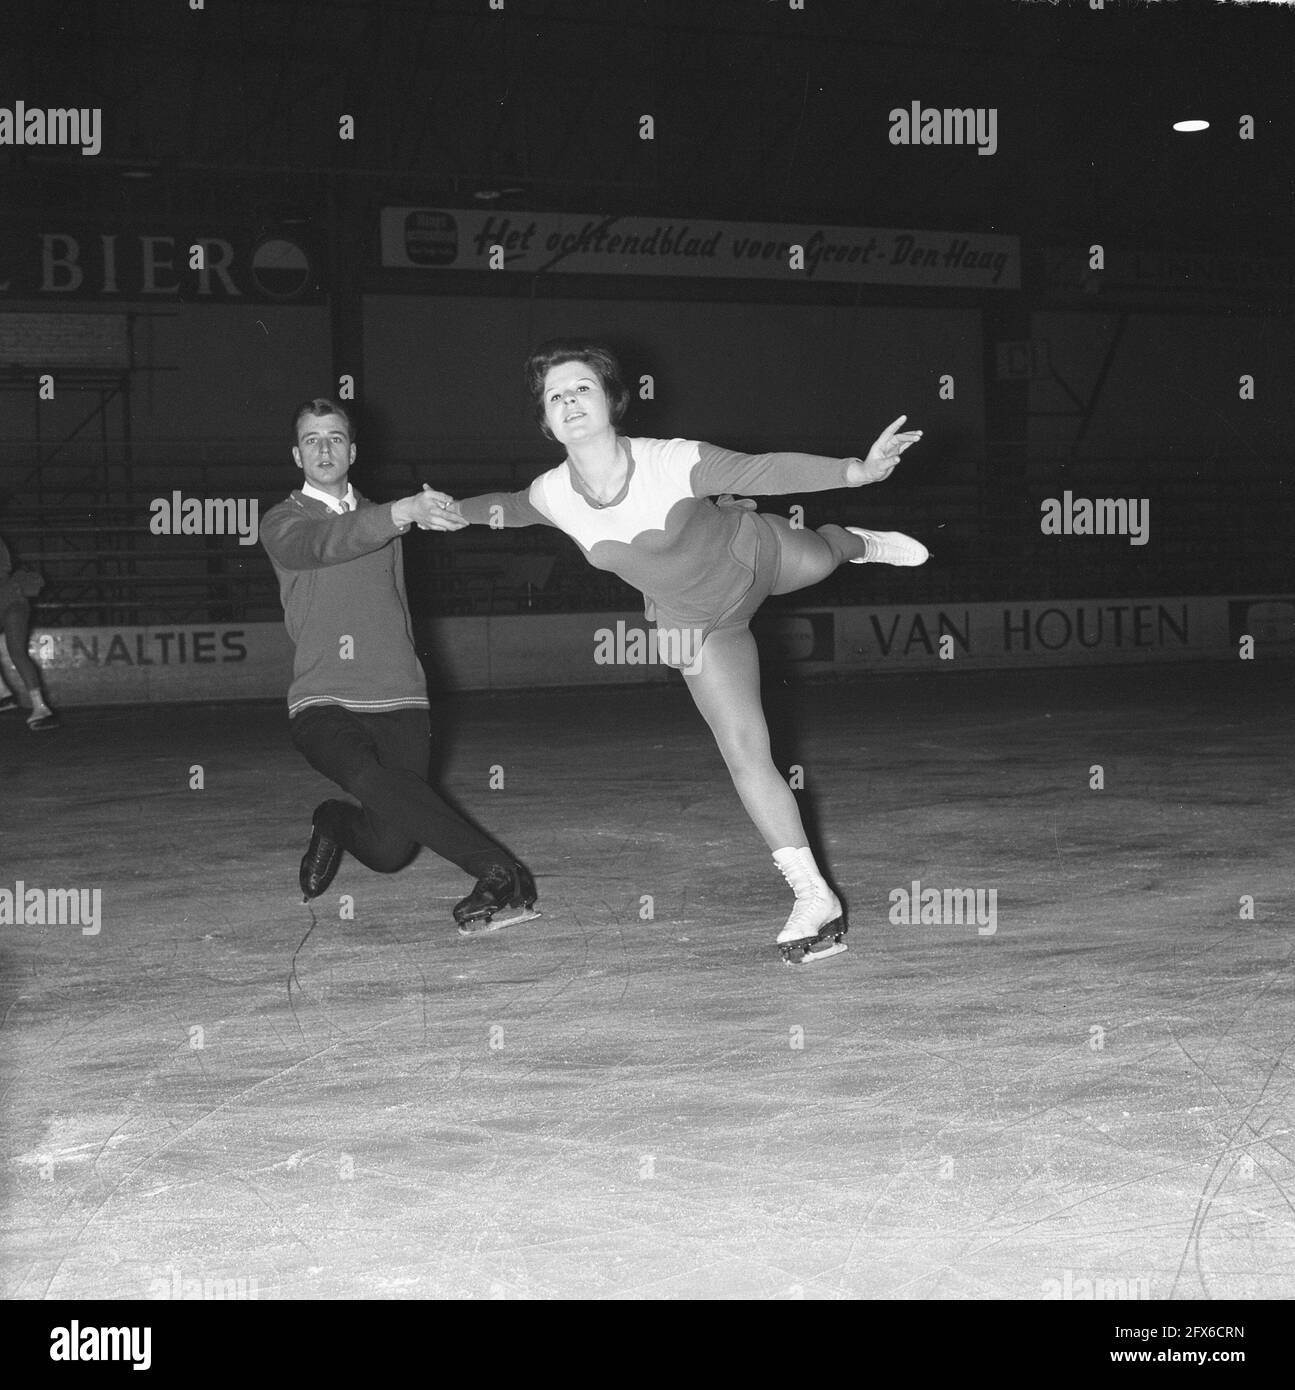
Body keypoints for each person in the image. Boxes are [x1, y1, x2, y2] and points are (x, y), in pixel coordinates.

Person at [449, 341, 927, 963]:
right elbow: (503, 509)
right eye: (556, 395)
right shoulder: (550, 494)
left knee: (822, 557)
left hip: (754, 557)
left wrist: (854, 472)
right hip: (697, 627)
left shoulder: (669, 461)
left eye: (582, 388)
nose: (569, 401)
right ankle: (814, 895)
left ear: (612, 401)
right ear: (545, 419)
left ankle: (855, 542)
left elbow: (762, 471)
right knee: (744, 752)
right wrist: (441, 512)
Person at [260, 398, 538, 932]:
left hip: (399, 697)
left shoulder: (386, 521)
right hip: (323, 697)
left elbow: (396, 609)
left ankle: (331, 820)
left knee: (389, 853)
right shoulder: (284, 522)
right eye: (313, 439)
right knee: (363, 771)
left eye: (335, 437)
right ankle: (499, 873)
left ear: (353, 451)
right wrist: (400, 513)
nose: (324, 447)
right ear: (297, 454)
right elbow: (324, 544)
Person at [0, 534, 58, 731]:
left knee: (17, 652)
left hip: (4, 597)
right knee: (18, 653)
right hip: (15, 598)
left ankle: (3, 693)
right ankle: (40, 708)